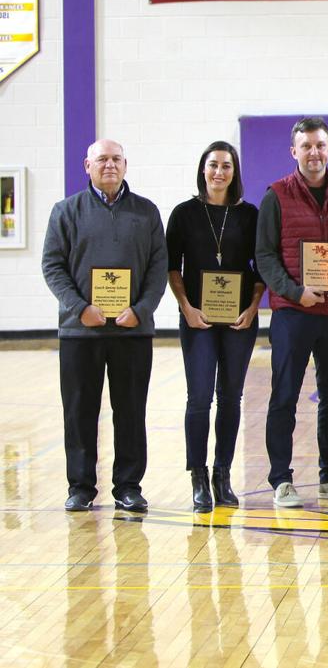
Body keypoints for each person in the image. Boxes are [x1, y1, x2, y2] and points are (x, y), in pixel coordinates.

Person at [42, 139, 168, 512]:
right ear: (87, 165)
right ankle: (80, 487)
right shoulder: (65, 211)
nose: (109, 165)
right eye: (102, 159)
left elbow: (159, 269)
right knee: (80, 411)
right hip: (81, 331)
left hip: (132, 330)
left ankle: (128, 486)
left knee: (130, 410)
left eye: (116, 159)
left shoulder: (146, 213)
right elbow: (52, 266)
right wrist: (80, 308)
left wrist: (141, 310)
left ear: (126, 165)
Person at [256, 117, 328, 508]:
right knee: (284, 396)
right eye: (307, 146)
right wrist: (294, 292)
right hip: (293, 313)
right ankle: (281, 481)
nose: (314, 153)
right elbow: (264, 257)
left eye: (320, 145)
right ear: (294, 151)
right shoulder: (276, 195)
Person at [166, 141, 265, 512]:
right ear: (202, 169)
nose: (219, 172)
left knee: (230, 398)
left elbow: (259, 269)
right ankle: (198, 476)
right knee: (199, 398)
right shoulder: (184, 214)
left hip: (239, 320)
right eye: (213, 165)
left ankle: (222, 475)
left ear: (235, 171)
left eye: (226, 165)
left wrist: (254, 308)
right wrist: (187, 308)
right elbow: (173, 268)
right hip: (198, 320)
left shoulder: (250, 215)